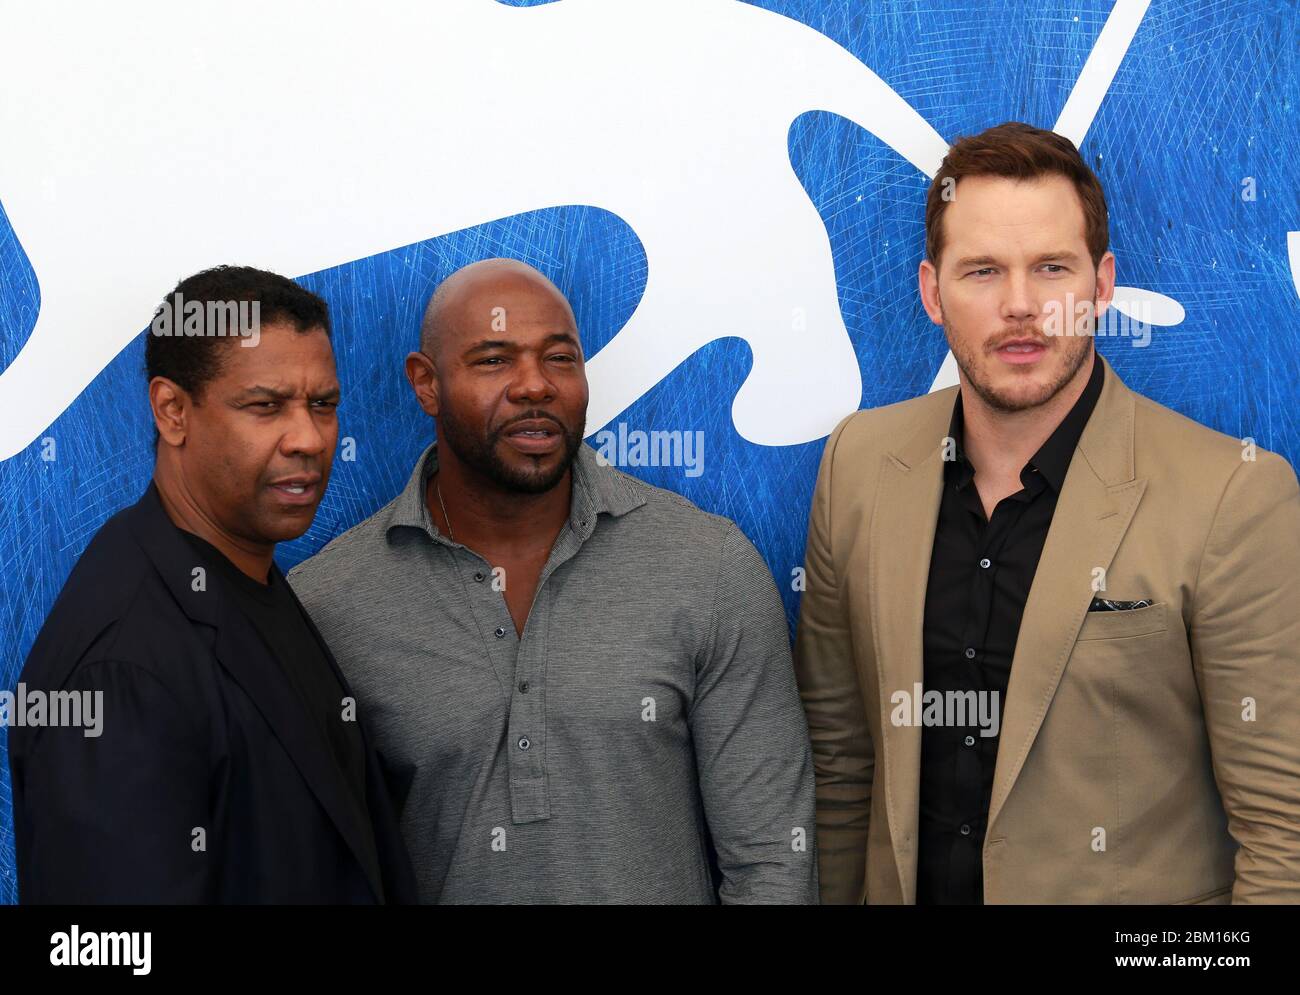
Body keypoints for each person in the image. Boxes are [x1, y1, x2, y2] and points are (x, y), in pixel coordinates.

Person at [794, 122, 1300, 904]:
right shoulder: (857, 465)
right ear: (933, 291)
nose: (1022, 306)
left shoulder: (1234, 497)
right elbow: (840, 767)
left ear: (1101, 285)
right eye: (984, 271)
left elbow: (1283, 831)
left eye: (1051, 268)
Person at [289, 258, 817, 904]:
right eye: (493, 360)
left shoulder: (706, 565)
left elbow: (772, 861)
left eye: (560, 359)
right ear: (426, 384)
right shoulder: (331, 602)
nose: (534, 385)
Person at [9, 265, 417, 903]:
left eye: (323, 404)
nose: (309, 439)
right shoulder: (124, 668)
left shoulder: (242, 571)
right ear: (173, 411)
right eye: (265, 405)